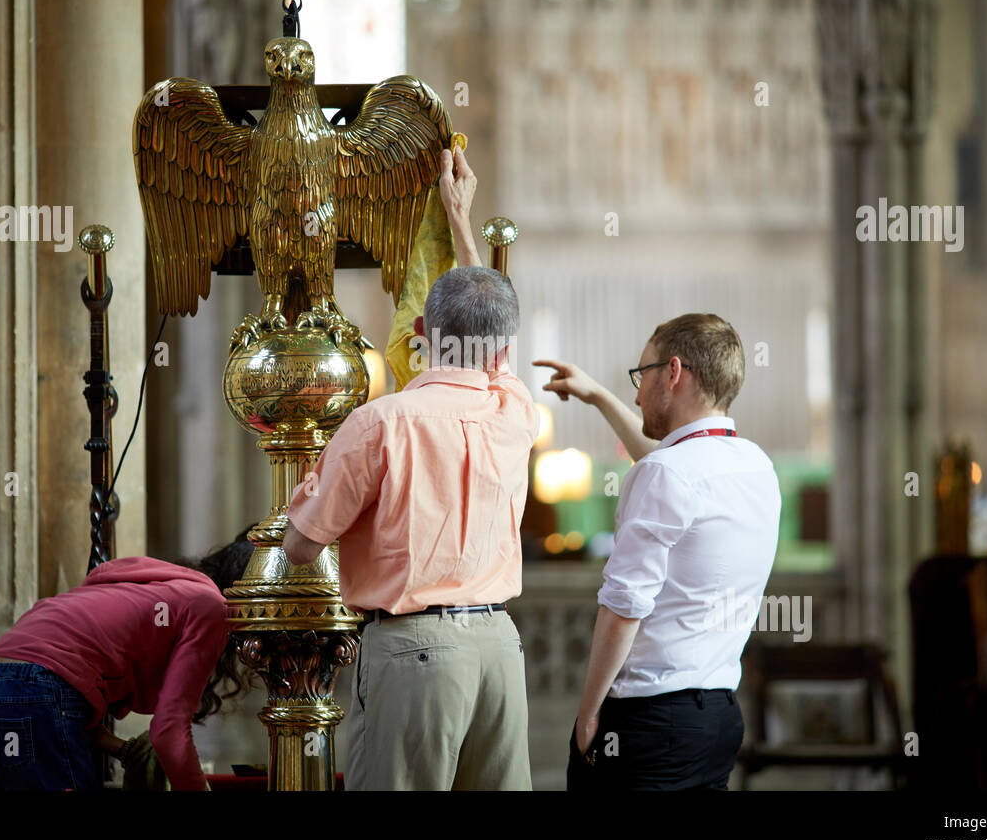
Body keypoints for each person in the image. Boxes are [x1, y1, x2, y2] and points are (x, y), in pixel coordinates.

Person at [281, 146, 540, 790]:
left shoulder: (381, 422)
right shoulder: (513, 410)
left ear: (420, 328)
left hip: (416, 651)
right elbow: (488, 324)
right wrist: (460, 218)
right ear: (503, 349)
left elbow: (302, 548)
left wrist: (307, 492)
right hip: (499, 650)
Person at [537, 312, 781, 790]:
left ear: (673, 372)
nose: (636, 392)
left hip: (648, 720)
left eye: (640, 375)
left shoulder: (668, 475)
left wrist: (587, 716)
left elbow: (623, 606)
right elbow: (668, 464)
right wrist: (601, 398)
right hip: (717, 716)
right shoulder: (756, 465)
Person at [0, 534, 254, 791]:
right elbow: (169, 729)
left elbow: (57, 697)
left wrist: (124, 750)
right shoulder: (212, 606)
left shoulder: (148, 585)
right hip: (35, 698)